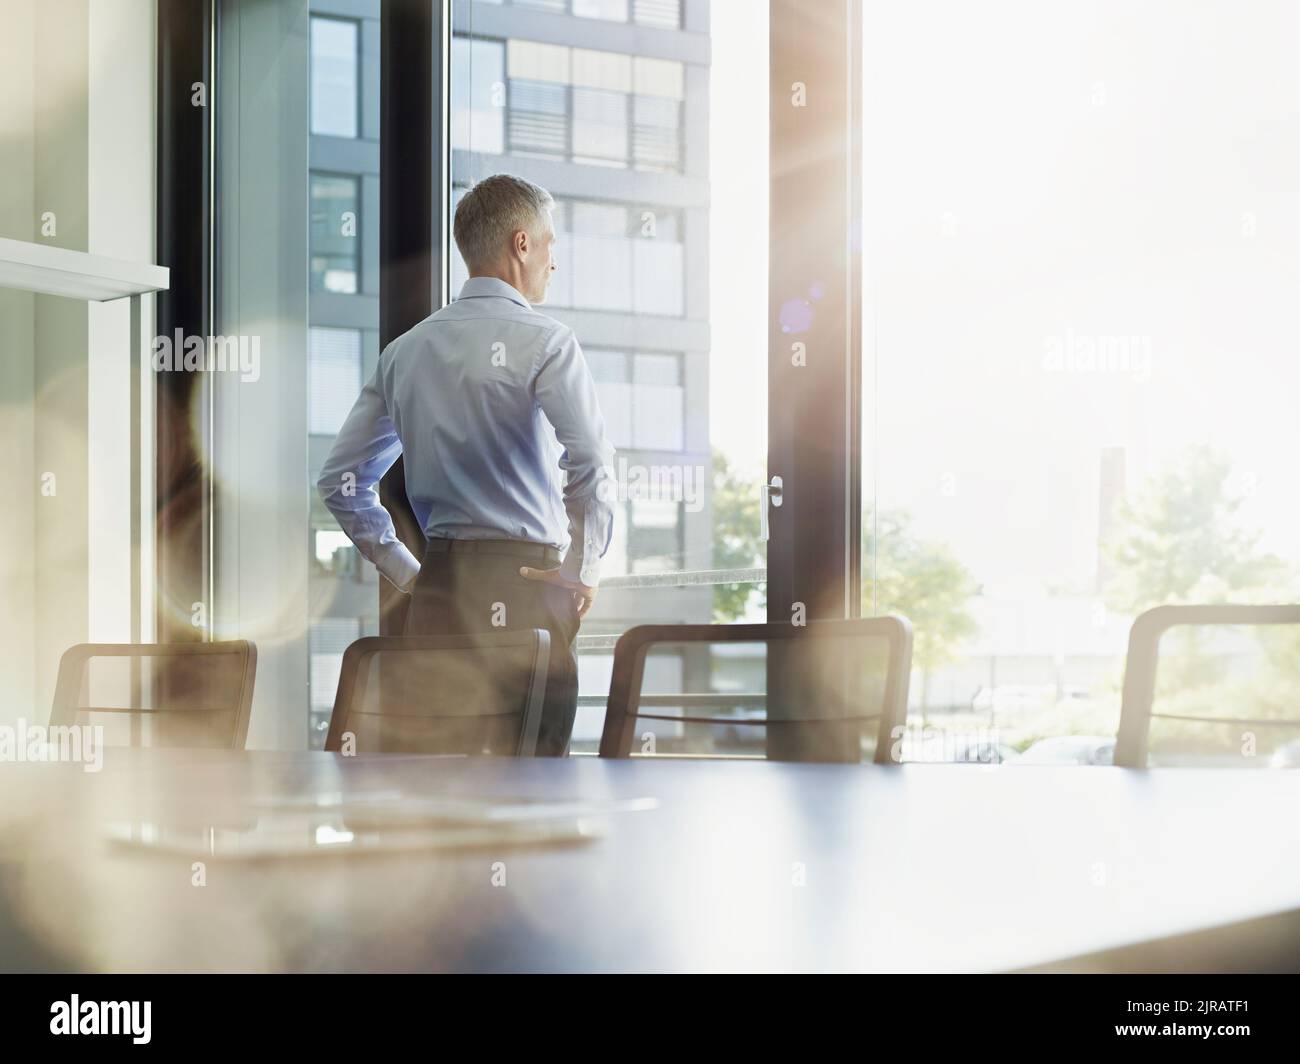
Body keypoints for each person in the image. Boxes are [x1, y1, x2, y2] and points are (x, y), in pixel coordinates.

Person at [317, 173, 615, 755]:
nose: (554, 262)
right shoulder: (546, 341)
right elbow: (591, 462)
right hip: (528, 587)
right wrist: (583, 570)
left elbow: (340, 483)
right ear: (521, 243)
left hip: (440, 595)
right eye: (550, 244)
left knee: (437, 780)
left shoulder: (404, 351)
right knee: (536, 781)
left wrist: (412, 575)